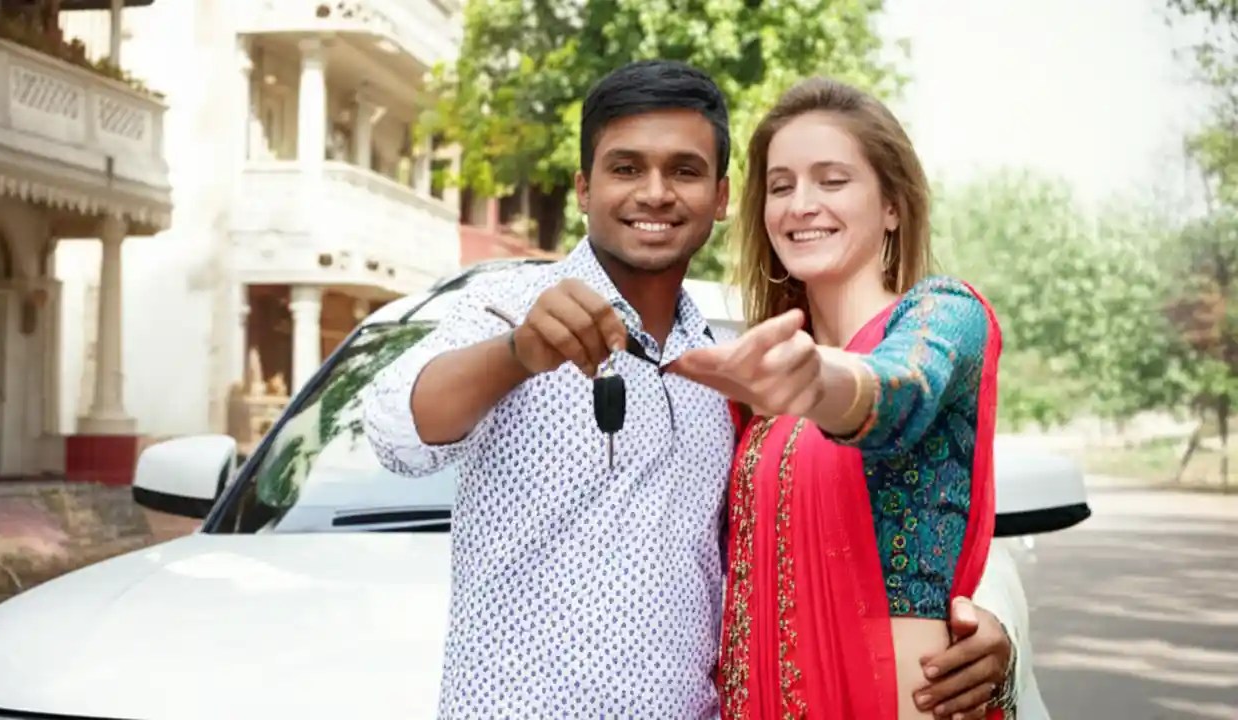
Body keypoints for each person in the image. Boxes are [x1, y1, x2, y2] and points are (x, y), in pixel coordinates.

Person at [365, 61, 1021, 718]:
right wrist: (517, 354)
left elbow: (887, 473)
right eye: (625, 169)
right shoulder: (509, 307)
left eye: (683, 170)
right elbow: (394, 429)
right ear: (583, 189)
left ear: (721, 196)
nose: (654, 193)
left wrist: (986, 625)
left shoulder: (729, 375)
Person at [668, 76, 1013, 720]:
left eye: (832, 180)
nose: (801, 204)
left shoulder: (944, 316)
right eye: (780, 185)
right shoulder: (756, 385)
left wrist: (818, 384)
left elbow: (898, 394)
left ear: (892, 205)